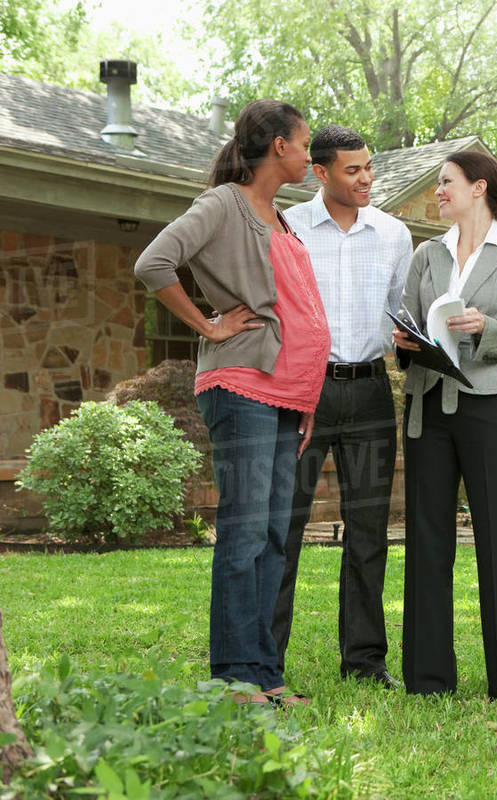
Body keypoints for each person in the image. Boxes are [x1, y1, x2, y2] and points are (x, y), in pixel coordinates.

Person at [134, 99, 329, 707]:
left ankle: (265, 676)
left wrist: (307, 397)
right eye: (303, 144)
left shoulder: (283, 216)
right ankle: (233, 677)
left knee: (272, 534)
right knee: (245, 534)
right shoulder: (223, 203)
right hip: (241, 385)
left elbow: (298, 309)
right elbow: (153, 262)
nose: (307, 155)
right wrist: (209, 327)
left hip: (285, 393)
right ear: (277, 146)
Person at [392, 150, 497, 700]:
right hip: (427, 408)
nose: (438, 190)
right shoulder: (425, 255)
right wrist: (405, 342)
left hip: (491, 409)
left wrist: (485, 328)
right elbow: (406, 326)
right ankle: (428, 681)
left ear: (479, 187)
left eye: (446, 181)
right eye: (437, 183)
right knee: (427, 543)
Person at [272, 125, 412, 688]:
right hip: (303, 391)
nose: (366, 179)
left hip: (372, 390)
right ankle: (265, 662)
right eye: (352, 170)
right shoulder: (289, 226)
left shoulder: (395, 234)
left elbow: (403, 317)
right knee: (284, 527)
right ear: (321, 172)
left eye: (369, 168)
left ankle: (364, 662)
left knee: (369, 531)